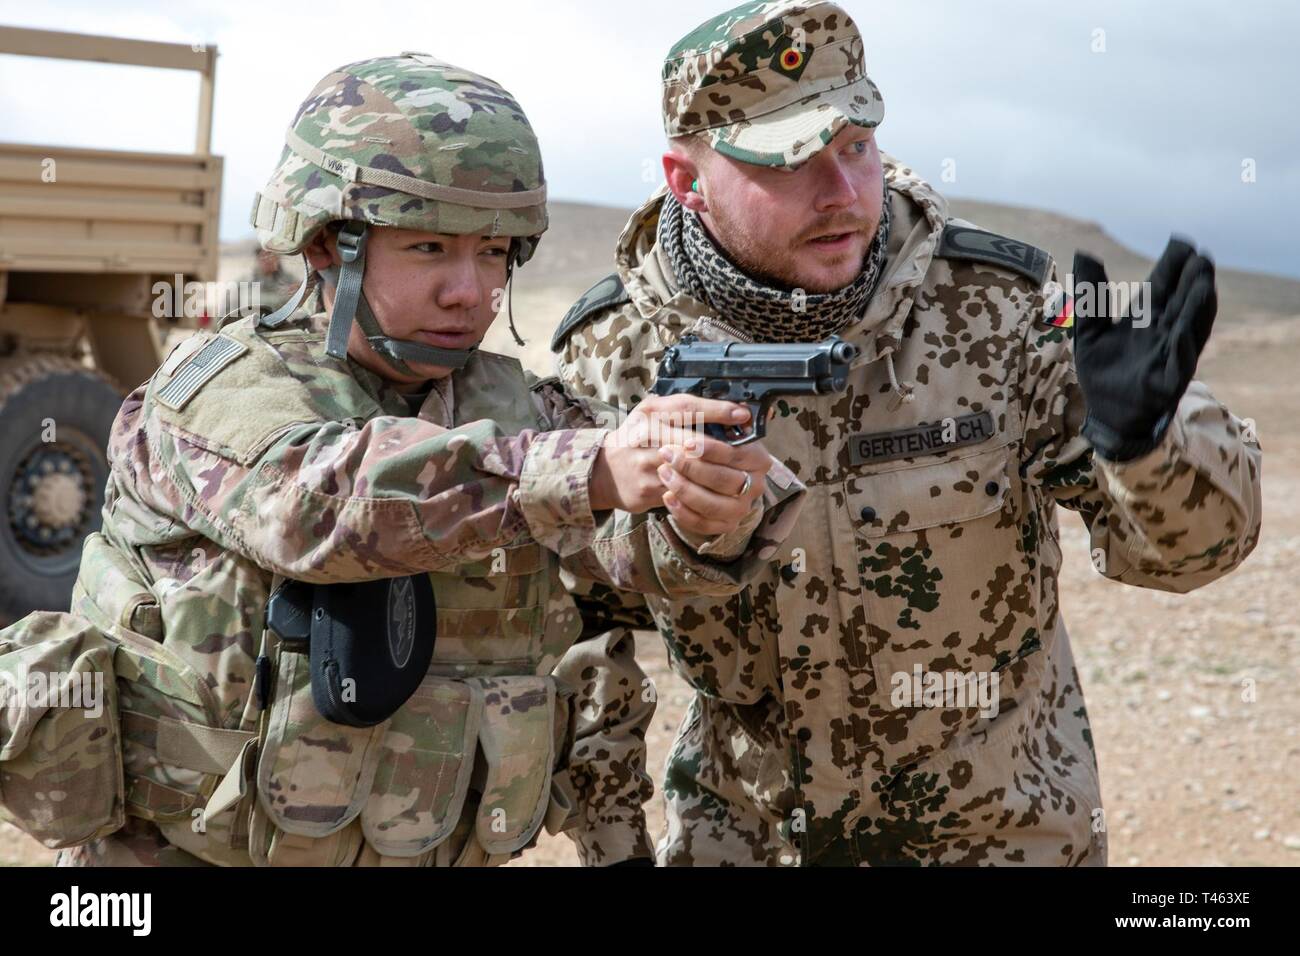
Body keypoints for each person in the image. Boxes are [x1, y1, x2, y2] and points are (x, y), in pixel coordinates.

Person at [0, 53, 803, 867]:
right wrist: (589, 470)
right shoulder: (216, 390)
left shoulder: (517, 409)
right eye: (429, 248)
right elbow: (316, 502)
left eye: (494, 253)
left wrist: (706, 513)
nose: (471, 290)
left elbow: (629, 545)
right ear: (325, 246)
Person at [552, 0, 1262, 866]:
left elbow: (1197, 556)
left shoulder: (1000, 308)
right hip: (744, 845)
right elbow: (584, 624)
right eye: (792, 165)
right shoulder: (613, 354)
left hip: (1006, 845)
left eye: (856, 147)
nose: (843, 194)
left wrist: (1145, 445)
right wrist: (613, 845)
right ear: (686, 179)